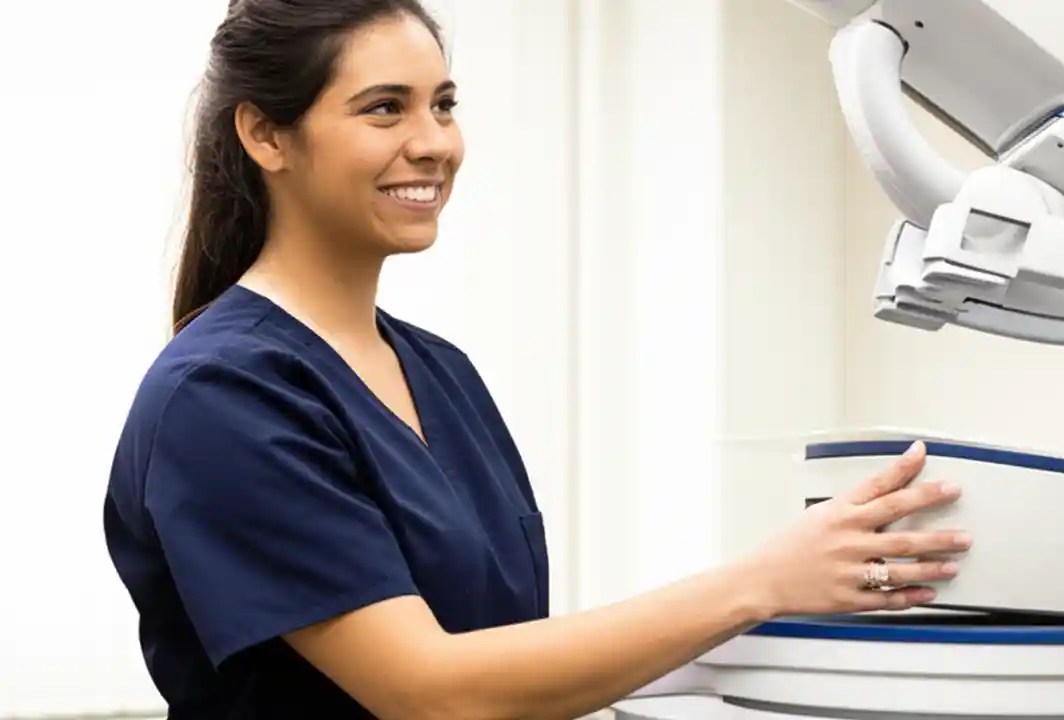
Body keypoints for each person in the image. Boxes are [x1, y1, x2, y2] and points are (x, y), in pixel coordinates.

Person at [102, 1, 973, 718]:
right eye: (384, 108)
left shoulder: (439, 372)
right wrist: (760, 583)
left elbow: (508, 657)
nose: (434, 142)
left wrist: (772, 633)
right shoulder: (222, 396)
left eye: (443, 103)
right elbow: (429, 691)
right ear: (266, 135)